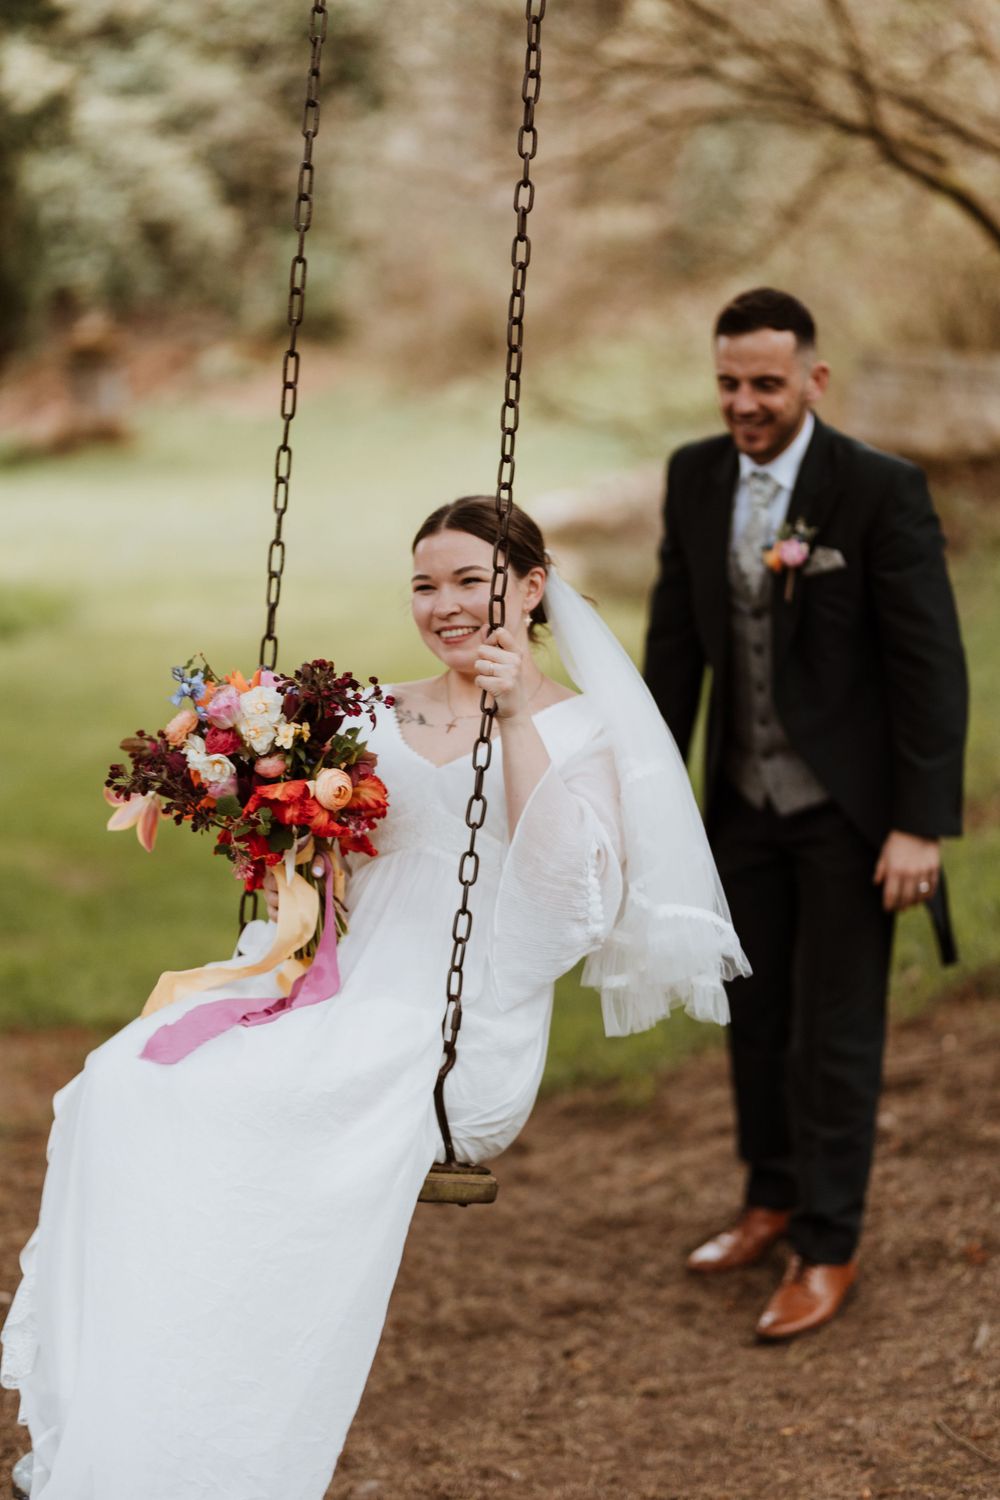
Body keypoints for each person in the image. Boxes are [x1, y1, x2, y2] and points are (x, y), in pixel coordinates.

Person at [2, 497, 746, 1499]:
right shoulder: (365, 712)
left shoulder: (578, 730)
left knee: (226, 1105)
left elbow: (566, 909)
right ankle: (145, 1402)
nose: (443, 606)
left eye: (469, 581)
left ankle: (224, 1440)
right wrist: (254, 798)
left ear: (530, 588)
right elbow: (306, 863)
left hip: (455, 1024)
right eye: (423, 585)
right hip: (329, 985)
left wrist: (517, 713)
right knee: (124, 1084)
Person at [644, 288, 968, 1341]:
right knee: (754, 1017)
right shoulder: (692, 477)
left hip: (846, 816)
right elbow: (674, 651)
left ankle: (826, 1245)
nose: (744, 402)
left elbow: (930, 670)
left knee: (834, 1034)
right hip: (739, 806)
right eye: (729, 382)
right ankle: (769, 1198)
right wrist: (649, 795)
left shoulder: (876, 490)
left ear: (812, 382)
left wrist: (918, 823)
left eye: (765, 384)